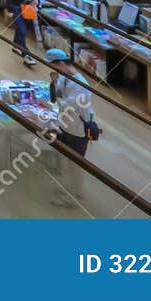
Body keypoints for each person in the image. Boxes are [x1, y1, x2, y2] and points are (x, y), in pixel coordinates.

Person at [45, 47, 96, 206]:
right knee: (68, 161)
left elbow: (67, 105)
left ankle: (73, 198)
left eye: (54, 67)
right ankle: (71, 190)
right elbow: (57, 95)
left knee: (75, 164)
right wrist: (53, 82)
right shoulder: (65, 78)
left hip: (77, 130)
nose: (54, 71)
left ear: (61, 64)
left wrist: (52, 104)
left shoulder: (81, 84)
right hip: (66, 126)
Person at [6, 0, 38, 67]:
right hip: (16, 7)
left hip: (25, 7)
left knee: (22, 28)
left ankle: (16, 45)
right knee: (22, 31)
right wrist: (10, 10)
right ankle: (26, 54)